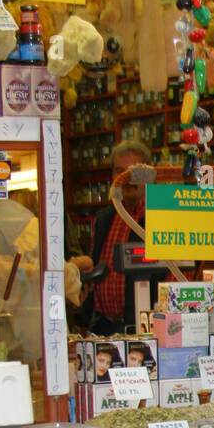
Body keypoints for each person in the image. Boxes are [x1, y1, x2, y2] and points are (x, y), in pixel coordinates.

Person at [87, 140, 152, 335]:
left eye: (133, 171)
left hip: (143, 327)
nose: (126, 178)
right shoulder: (105, 218)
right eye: (120, 171)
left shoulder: (157, 217)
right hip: (105, 327)